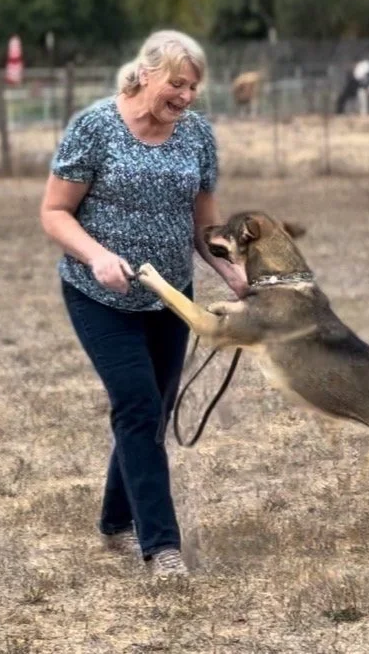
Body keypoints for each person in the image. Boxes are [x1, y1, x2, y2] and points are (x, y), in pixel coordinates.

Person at [39, 30, 246, 578]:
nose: (185, 96)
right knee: (137, 406)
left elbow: (207, 226)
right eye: (177, 83)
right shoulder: (95, 127)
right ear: (146, 73)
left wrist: (233, 272)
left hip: (169, 296)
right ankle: (161, 546)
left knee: (150, 410)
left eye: (194, 87)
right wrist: (98, 255)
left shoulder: (197, 136)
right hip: (98, 293)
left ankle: (114, 519)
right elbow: (55, 212)